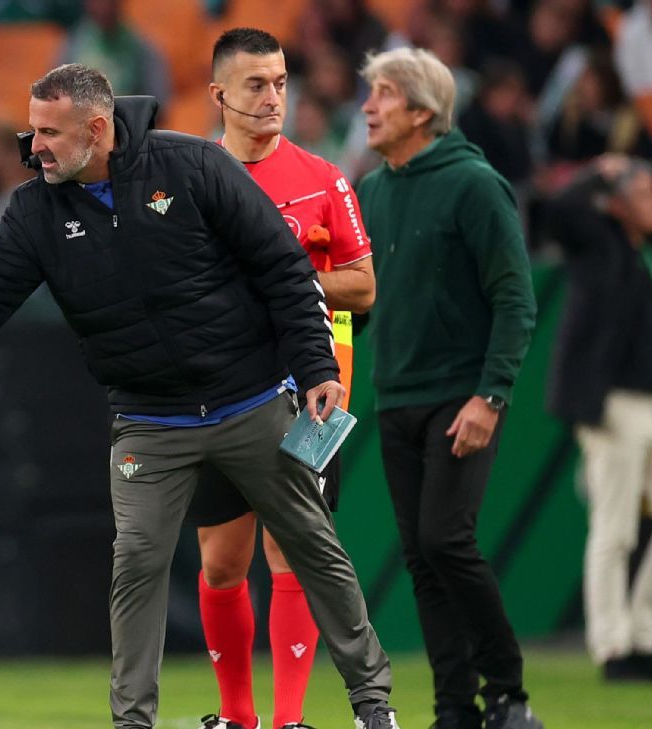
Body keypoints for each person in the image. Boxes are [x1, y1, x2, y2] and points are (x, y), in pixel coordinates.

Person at [0, 63, 398, 729]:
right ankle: (133, 722)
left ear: (97, 128)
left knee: (313, 544)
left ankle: (373, 704)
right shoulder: (35, 210)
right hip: (149, 419)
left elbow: (283, 267)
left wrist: (315, 366)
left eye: (50, 133)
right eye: (32, 130)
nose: (34, 146)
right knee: (137, 561)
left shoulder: (192, 165)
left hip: (252, 398)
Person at [193, 28, 375, 729]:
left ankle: (287, 720)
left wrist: (286, 278)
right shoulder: (191, 178)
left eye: (279, 82)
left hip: (315, 387)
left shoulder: (324, 177)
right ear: (219, 95)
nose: (273, 97)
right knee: (222, 560)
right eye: (256, 84)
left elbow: (364, 285)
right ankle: (236, 717)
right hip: (221, 384)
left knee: (292, 545)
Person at [355, 48, 542, 729]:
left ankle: (510, 694)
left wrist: (491, 396)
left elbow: (515, 299)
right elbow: (364, 303)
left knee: (444, 541)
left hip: (461, 397)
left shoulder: (475, 184)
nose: (368, 106)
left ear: (422, 112)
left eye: (384, 93)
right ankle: (454, 708)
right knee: (423, 559)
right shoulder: (371, 191)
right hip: (395, 396)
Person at [545, 154, 652, 683]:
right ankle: (613, 647)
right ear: (617, 207)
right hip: (613, 403)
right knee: (614, 529)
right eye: (644, 197)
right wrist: (602, 173)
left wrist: (645, 174)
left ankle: (644, 636)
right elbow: (558, 210)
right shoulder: (598, 244)